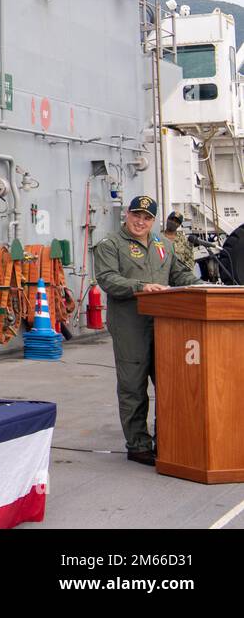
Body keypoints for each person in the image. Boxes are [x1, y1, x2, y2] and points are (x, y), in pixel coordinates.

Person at [94, 196, 201, 466]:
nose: (141, 221)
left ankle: (166, 439)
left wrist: (204, 287)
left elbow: (179, 275)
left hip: (165, 325)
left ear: (153, 220)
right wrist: (142, 286)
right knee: (133, 386)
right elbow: (108, 279)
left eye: (147, 217)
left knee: (168, 384)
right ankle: (138, 445)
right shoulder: (110, 245)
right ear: (127, 215)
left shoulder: (162, 244)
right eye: (136, 215)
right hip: (131, 326)